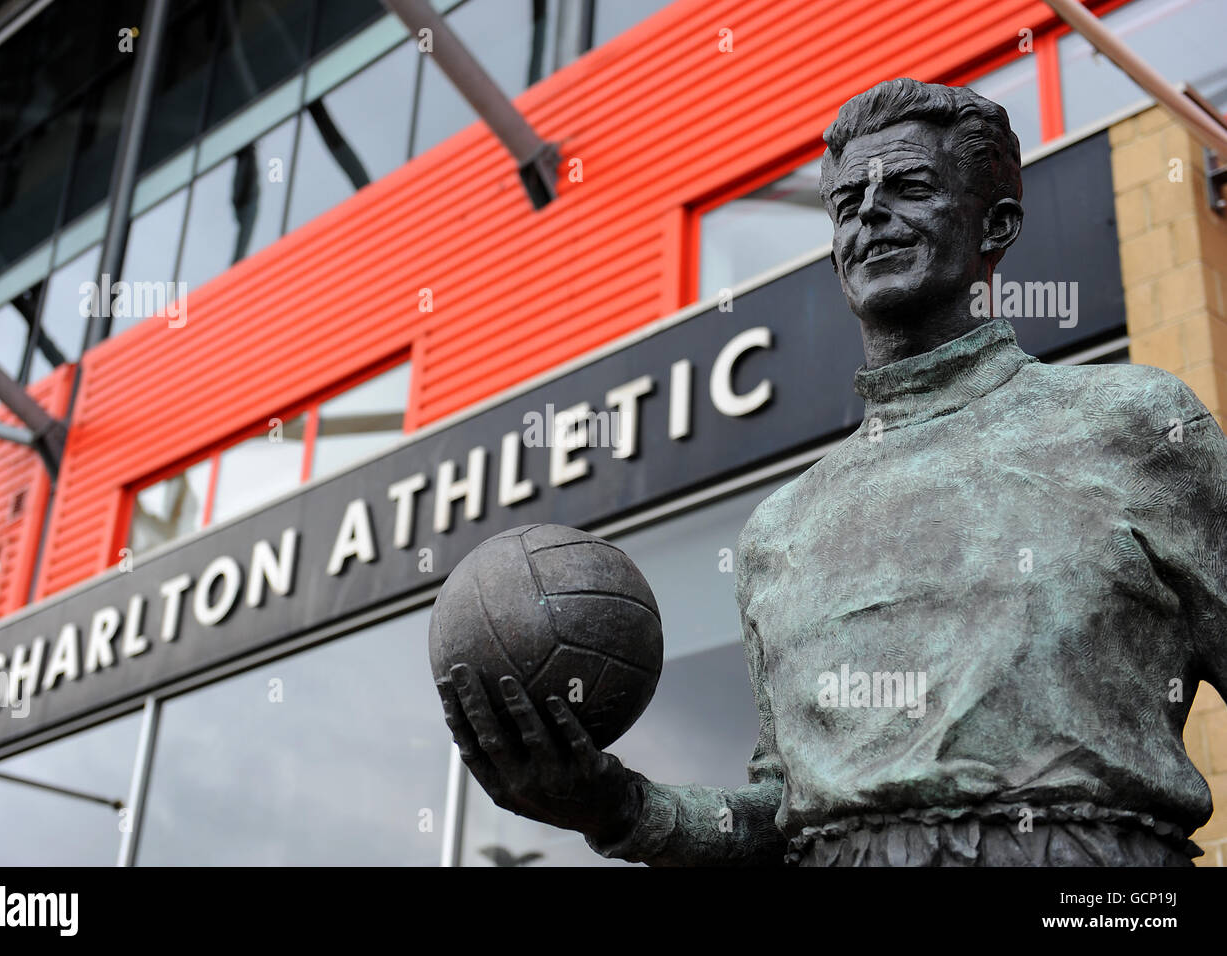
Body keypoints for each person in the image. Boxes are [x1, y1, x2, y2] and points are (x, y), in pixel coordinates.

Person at [436, 78, 1227, 866]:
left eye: (910, 186)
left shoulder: (1136, 426)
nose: (871, 213)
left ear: (998, 224)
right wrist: (619, 808)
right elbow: (784, 816)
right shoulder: (782, 529)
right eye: (848, 203)